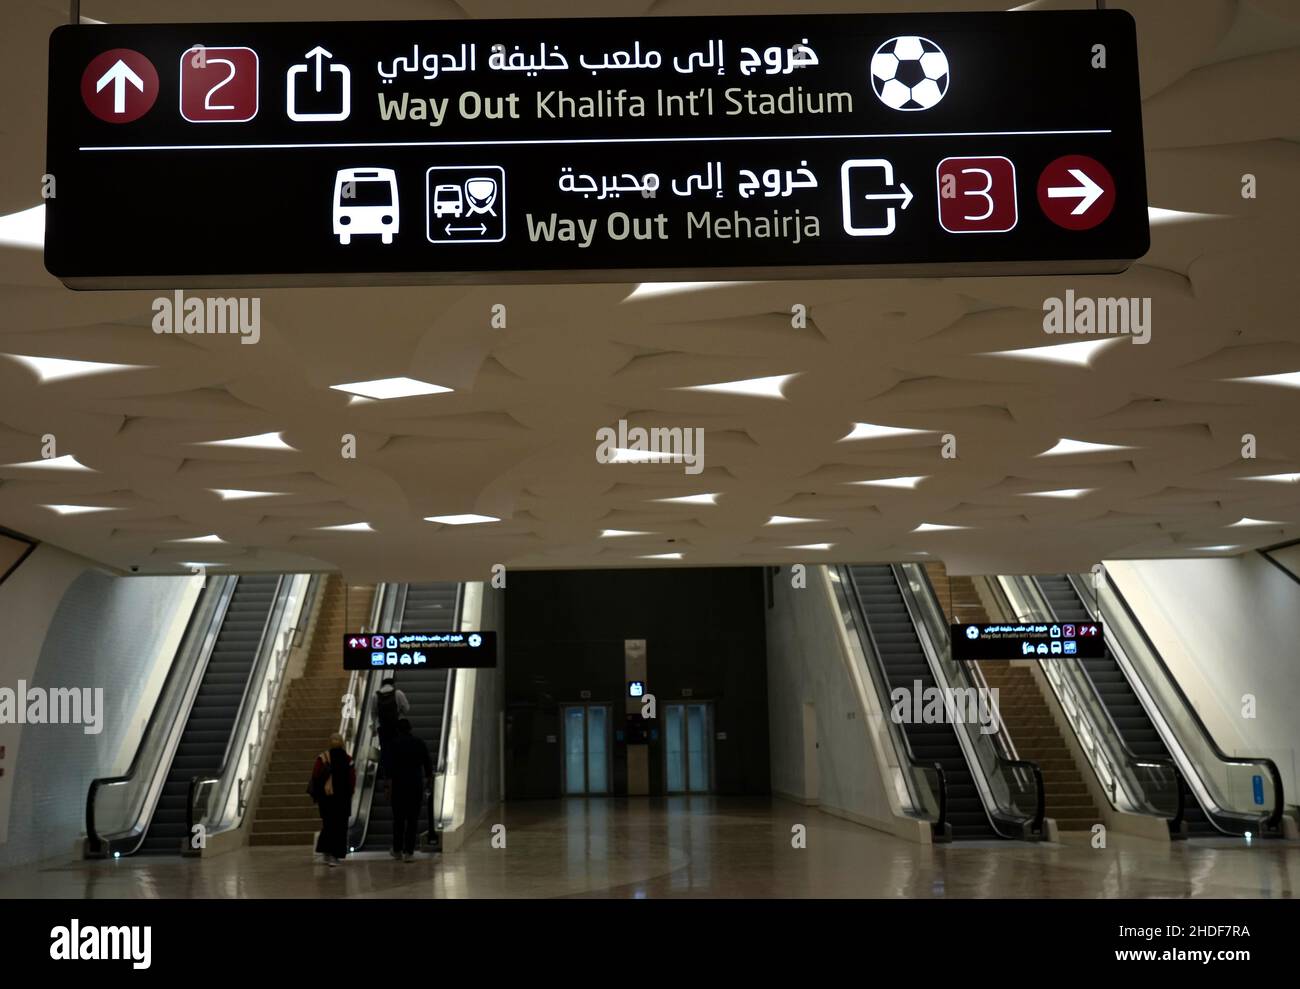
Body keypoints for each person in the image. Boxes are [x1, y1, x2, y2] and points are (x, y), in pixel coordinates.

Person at [385, 718, 433, 862]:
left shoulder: (393, 744)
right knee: (413, 820)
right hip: (415, 784)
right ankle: (409, 852)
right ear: (410, 729)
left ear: (398, 730)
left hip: (399, 786)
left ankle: (397, 850)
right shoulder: (419, 743)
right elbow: (428, 763)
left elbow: (388, 768)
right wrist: (429, 780)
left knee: (398, 819)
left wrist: (387, 787)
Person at [309, 734, 356, 867]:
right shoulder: (348, 759)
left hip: (326, 798)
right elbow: (352, 779)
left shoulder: (323, 758)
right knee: (340, 826)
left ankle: (326, 852)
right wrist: (350, 793)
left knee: (328, 824)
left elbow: (315, 775)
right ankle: (335, 855)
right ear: (342, 743)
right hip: (342, 799)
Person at [372, 676, 410, 773]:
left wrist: (375, 728)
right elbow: (406, 709)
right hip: (397, 727)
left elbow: (373, 714)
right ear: (393, 684)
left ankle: (387, 774)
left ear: (382, 685)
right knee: (399, 749)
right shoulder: (398, 693)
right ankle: (400, 770)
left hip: (383, 729)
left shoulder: (376, 696)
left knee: (385, 751)